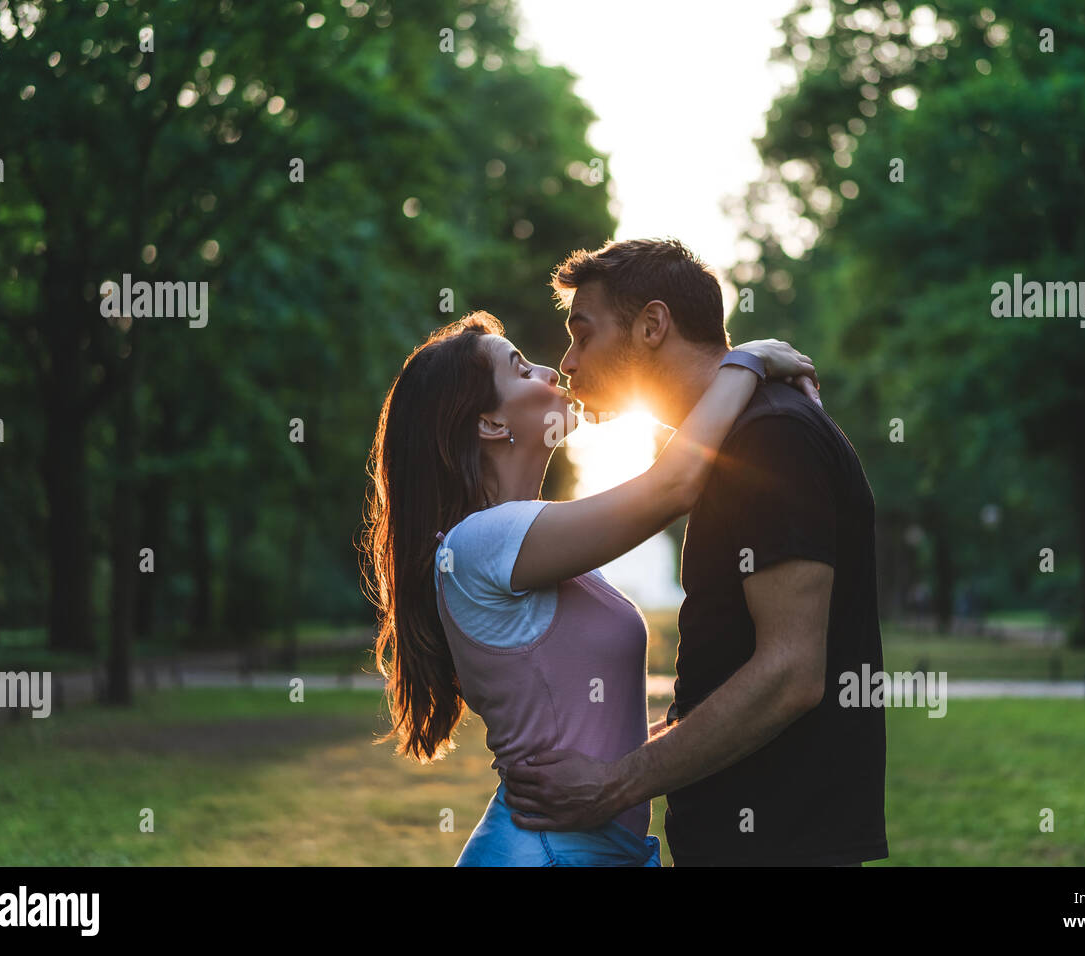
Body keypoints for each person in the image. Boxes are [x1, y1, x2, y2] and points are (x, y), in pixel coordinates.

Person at [361, 308, 815, 865]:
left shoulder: (533, 544)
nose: (551, 372)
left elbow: (586, 724)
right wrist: (747, 360)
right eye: (521, 369)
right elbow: (672, 486)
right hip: (545, 852)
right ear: (490, 424)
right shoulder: (483, 541)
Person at [503, 238, 889, 867]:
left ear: (653, 324)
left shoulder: (771, 437)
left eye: (583, 332)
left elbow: (791, 674)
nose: (567, 362)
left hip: (781, 847)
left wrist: (616, 784)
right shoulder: (737, 437)